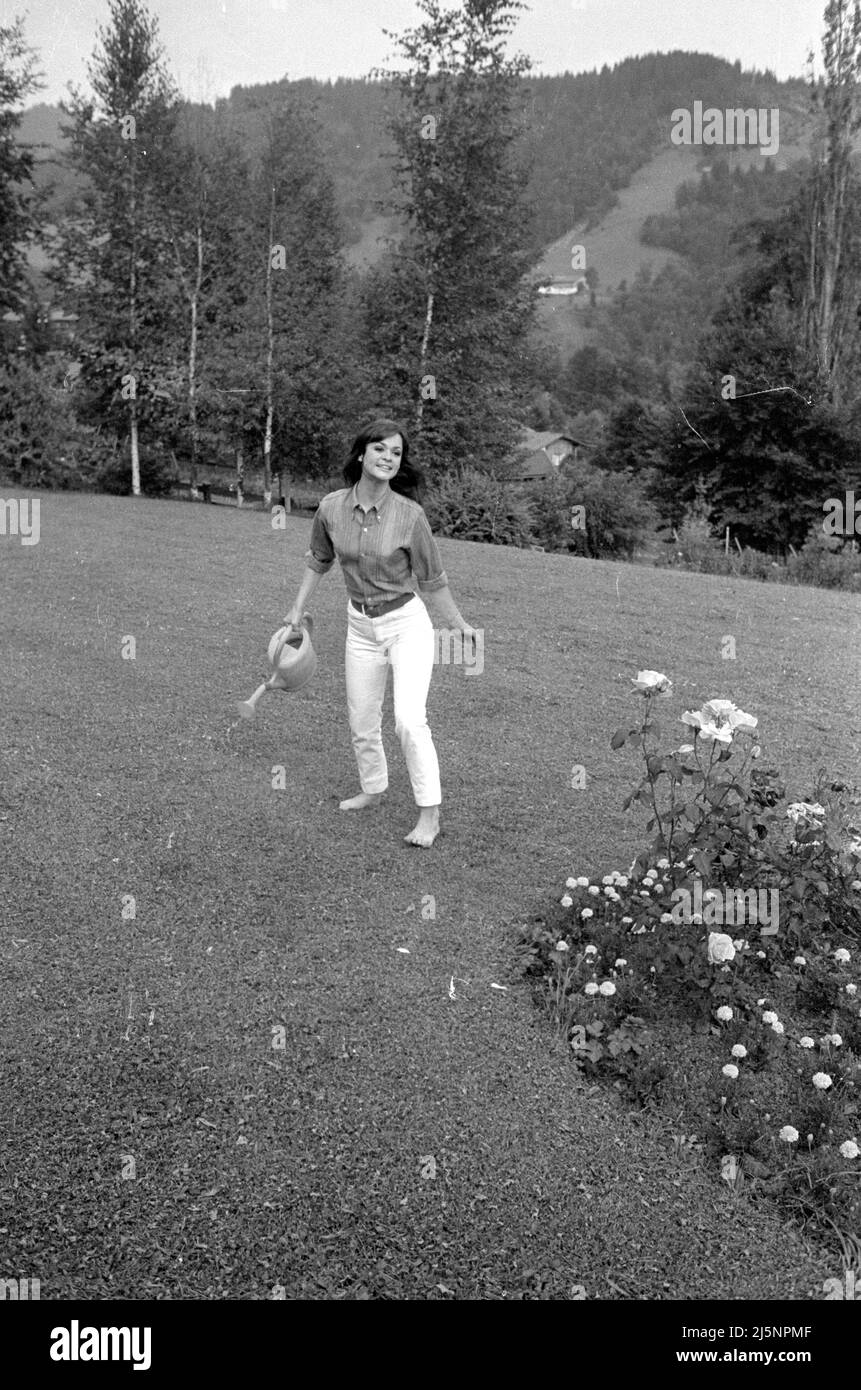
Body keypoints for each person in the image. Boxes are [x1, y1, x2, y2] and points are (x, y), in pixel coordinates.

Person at [283, 417, 476, 848]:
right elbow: (318, 559)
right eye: (380, 449)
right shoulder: (331, 507)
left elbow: (433, 579)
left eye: (396, 453)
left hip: (406, 625)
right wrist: (297, 609)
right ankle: (373, 789)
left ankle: (430, 815)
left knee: (409, 721)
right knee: (362, 720)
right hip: (359, 626)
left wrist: (459, 627)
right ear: (361, 453)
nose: (389, 458)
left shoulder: (410, 516)